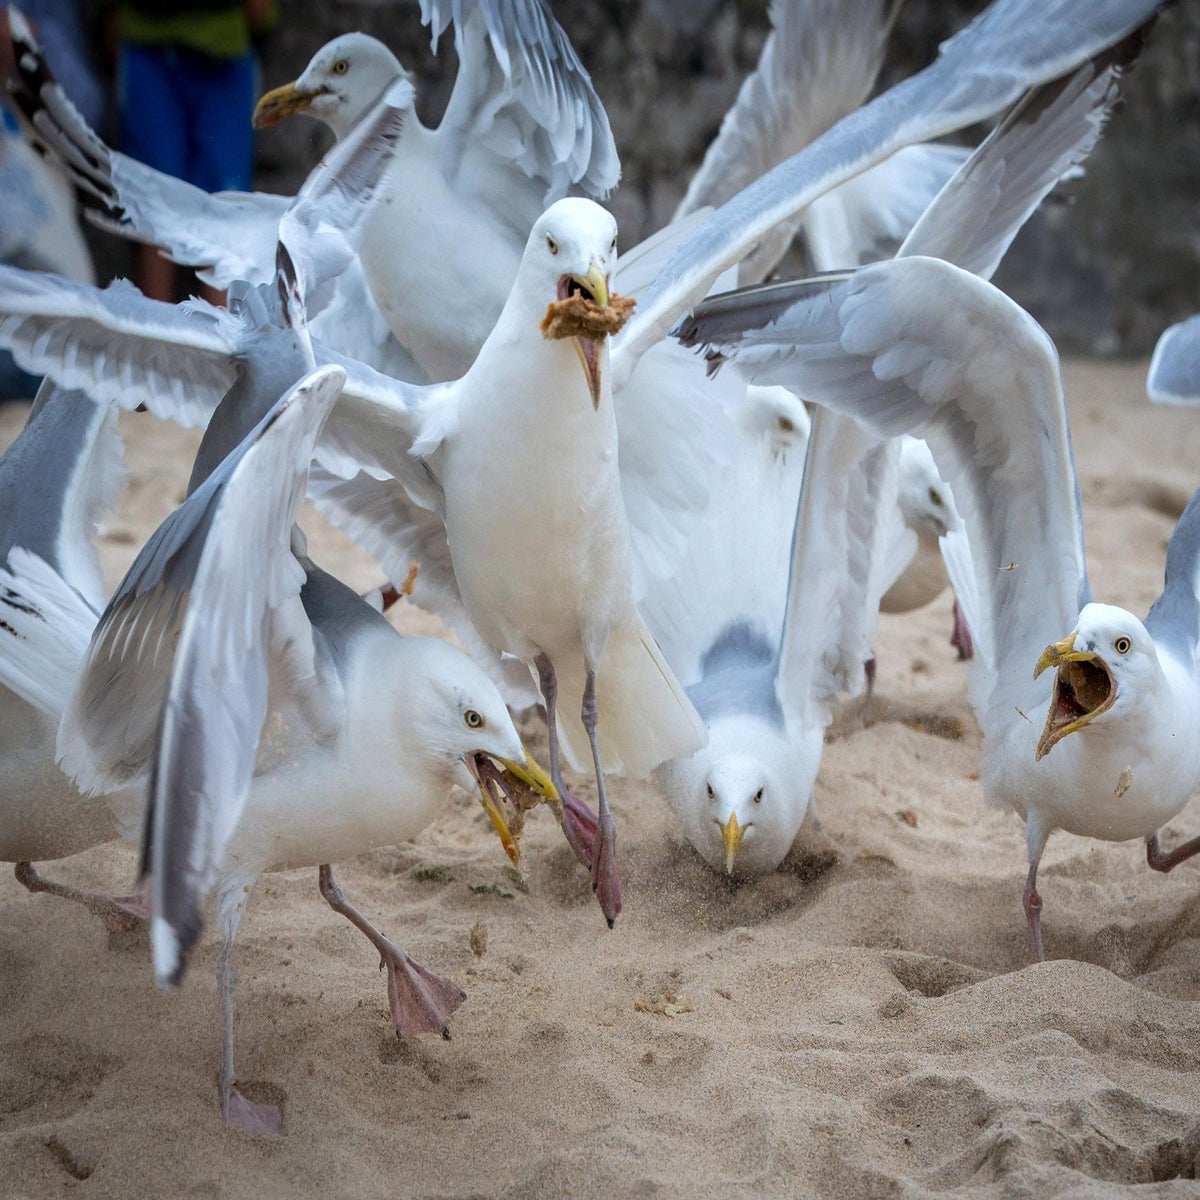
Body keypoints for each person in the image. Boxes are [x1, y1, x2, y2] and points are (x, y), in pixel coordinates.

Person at [113, 0, 276, 301]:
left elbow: (261, 10)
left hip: (225, 48)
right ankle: (155, 339)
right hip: (147, 42)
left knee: (224, 202)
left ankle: (221, 342)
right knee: (152, 198)